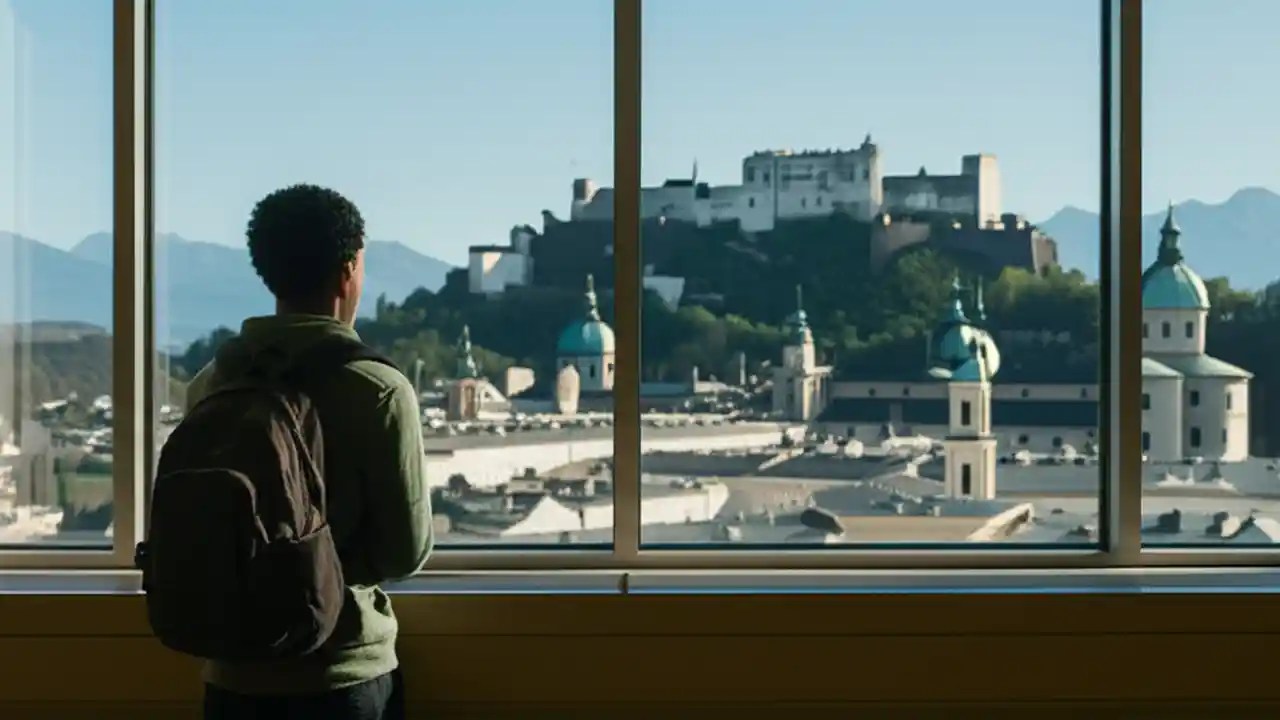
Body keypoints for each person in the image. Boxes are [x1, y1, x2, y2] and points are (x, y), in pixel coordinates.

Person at [187, 184, 432, 719]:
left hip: (232, 675)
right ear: (349, 270)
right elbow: (404, 553)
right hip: (343, 674)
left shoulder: (212, 383)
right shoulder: (379, 390)